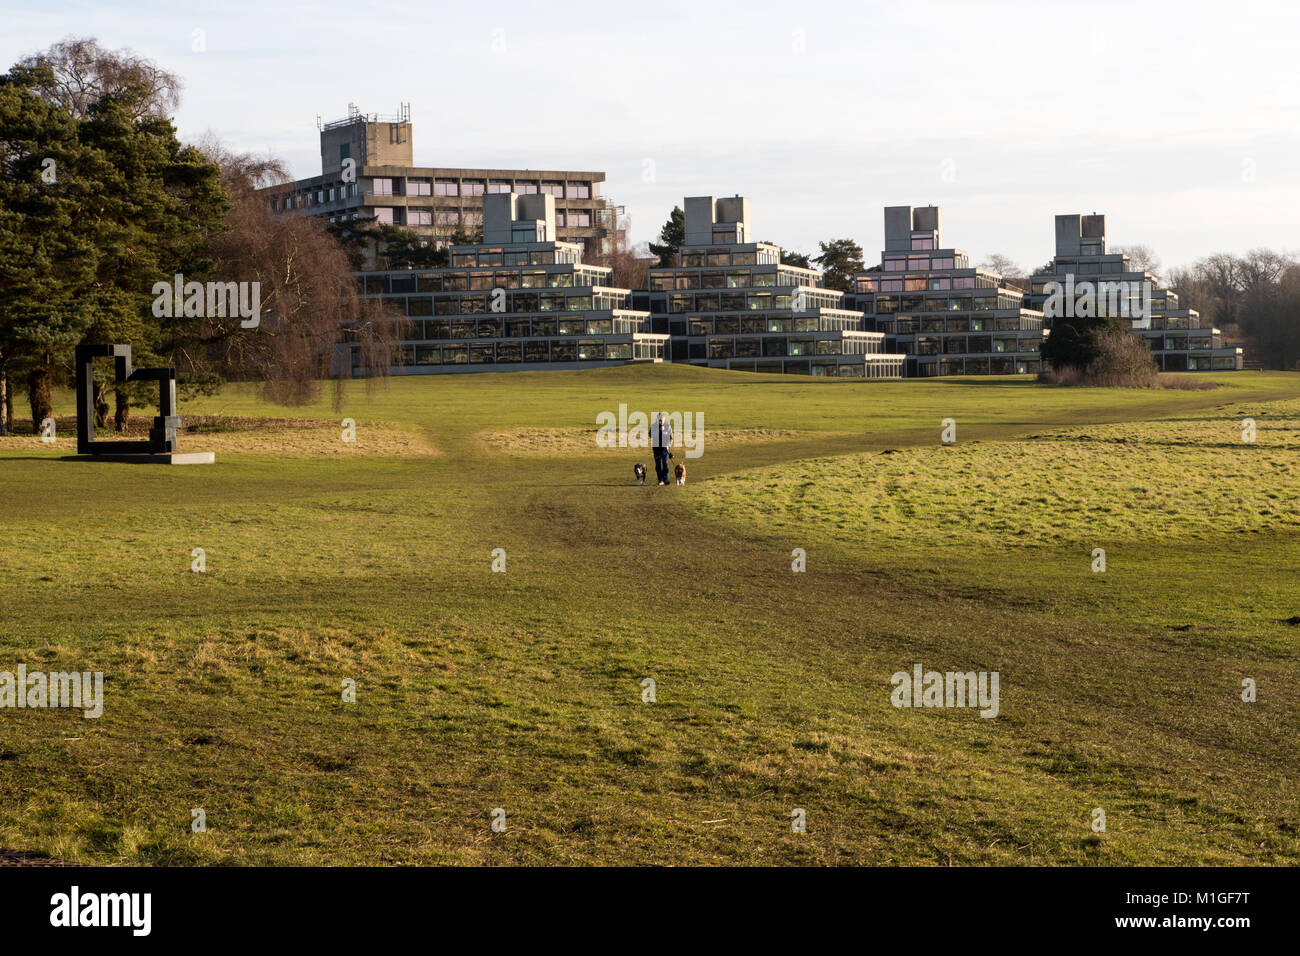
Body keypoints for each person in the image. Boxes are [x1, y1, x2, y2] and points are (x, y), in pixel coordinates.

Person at [651, 412, 673, 486]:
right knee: (658, 465)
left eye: (661, 420)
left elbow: (671, 438)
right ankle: (660, 480)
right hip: (656, 448)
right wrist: (658, 430)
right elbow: (650, 435)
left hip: (664, 448)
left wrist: (668, 445)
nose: (660, 421)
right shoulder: (653, 426)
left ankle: (666, 479)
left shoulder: (668, 426)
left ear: (664, 419)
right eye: (659, 420)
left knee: (665, 464)